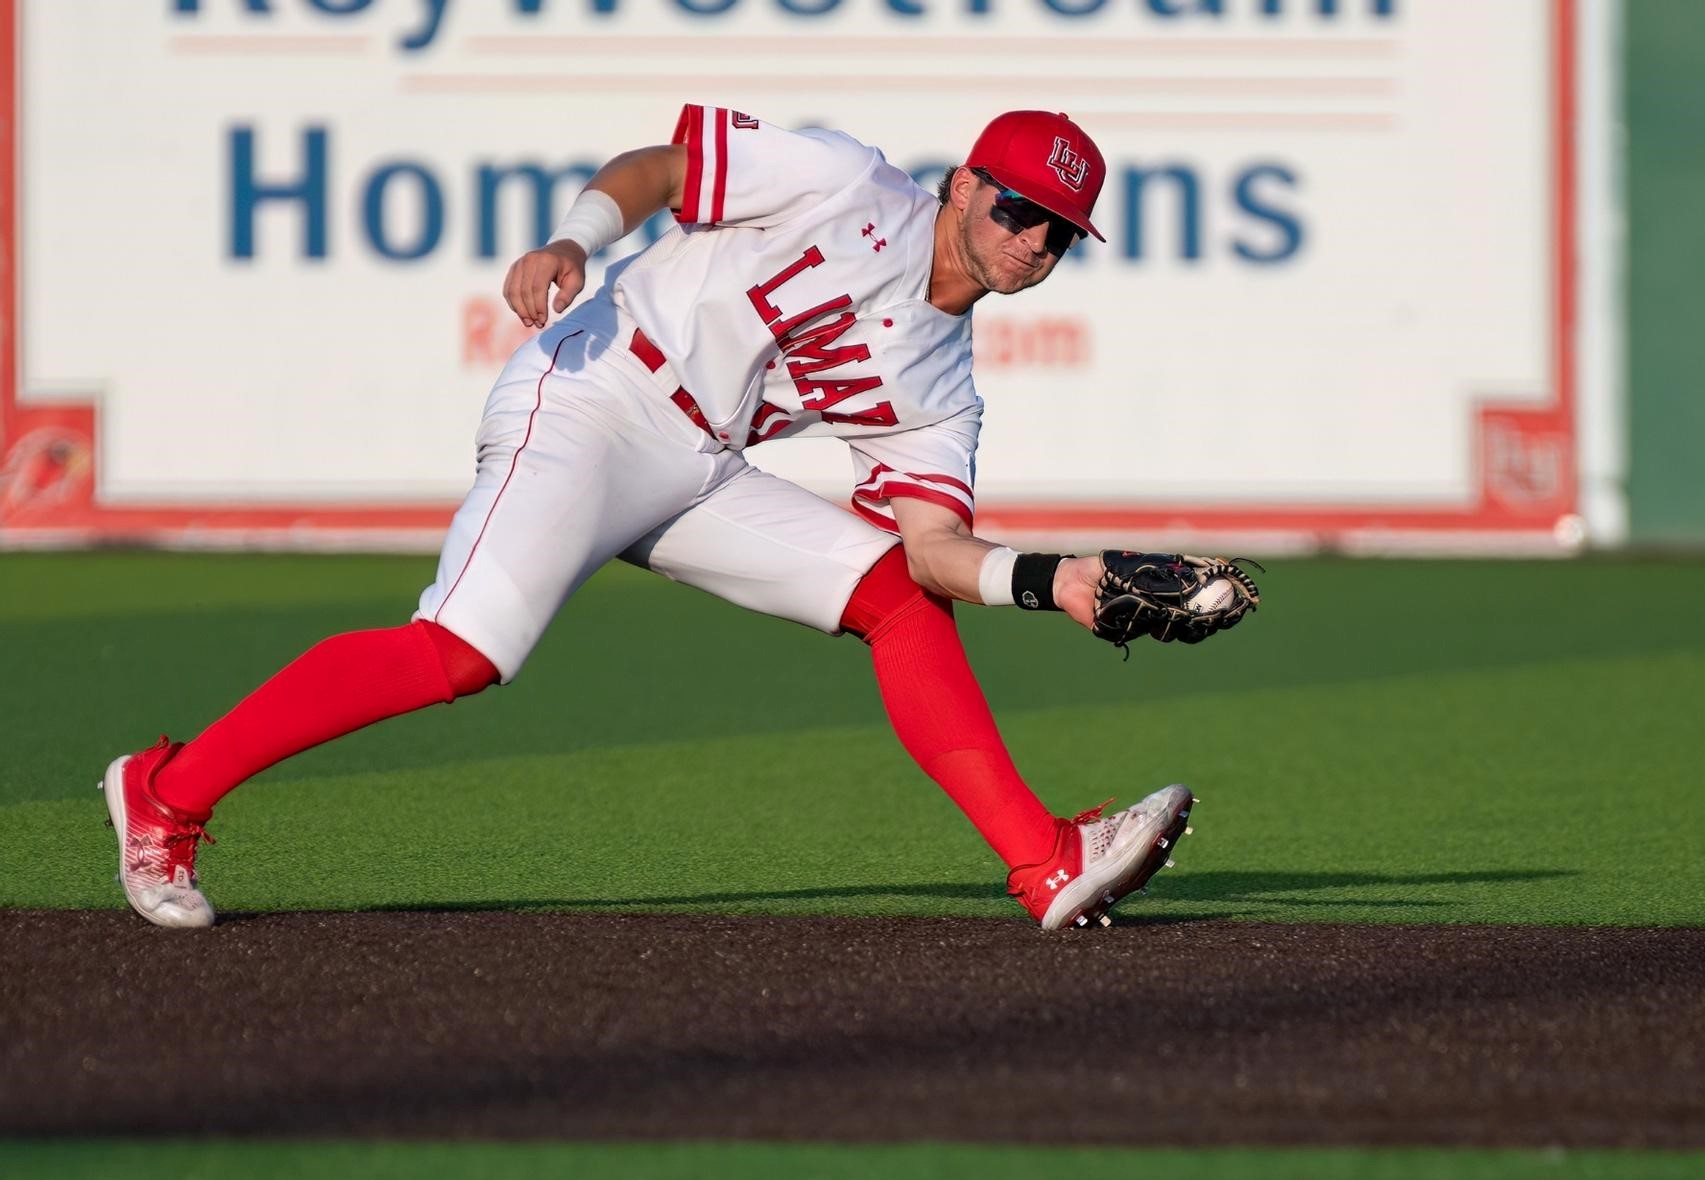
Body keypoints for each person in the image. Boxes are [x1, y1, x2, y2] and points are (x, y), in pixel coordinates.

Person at [102, 106, 1199, 934]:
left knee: (899, 600)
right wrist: (579, 235)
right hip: (594, 391)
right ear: (962, 186)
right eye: (1015, 208)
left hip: (695, 464)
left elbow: (935, 548)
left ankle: (1046, 860)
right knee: (462, 653)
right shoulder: (845, 181)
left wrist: (1051, 576)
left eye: (1057, 234)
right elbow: (660, 169)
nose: (1030, 242)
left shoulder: (945, 382)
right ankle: (163, 791)